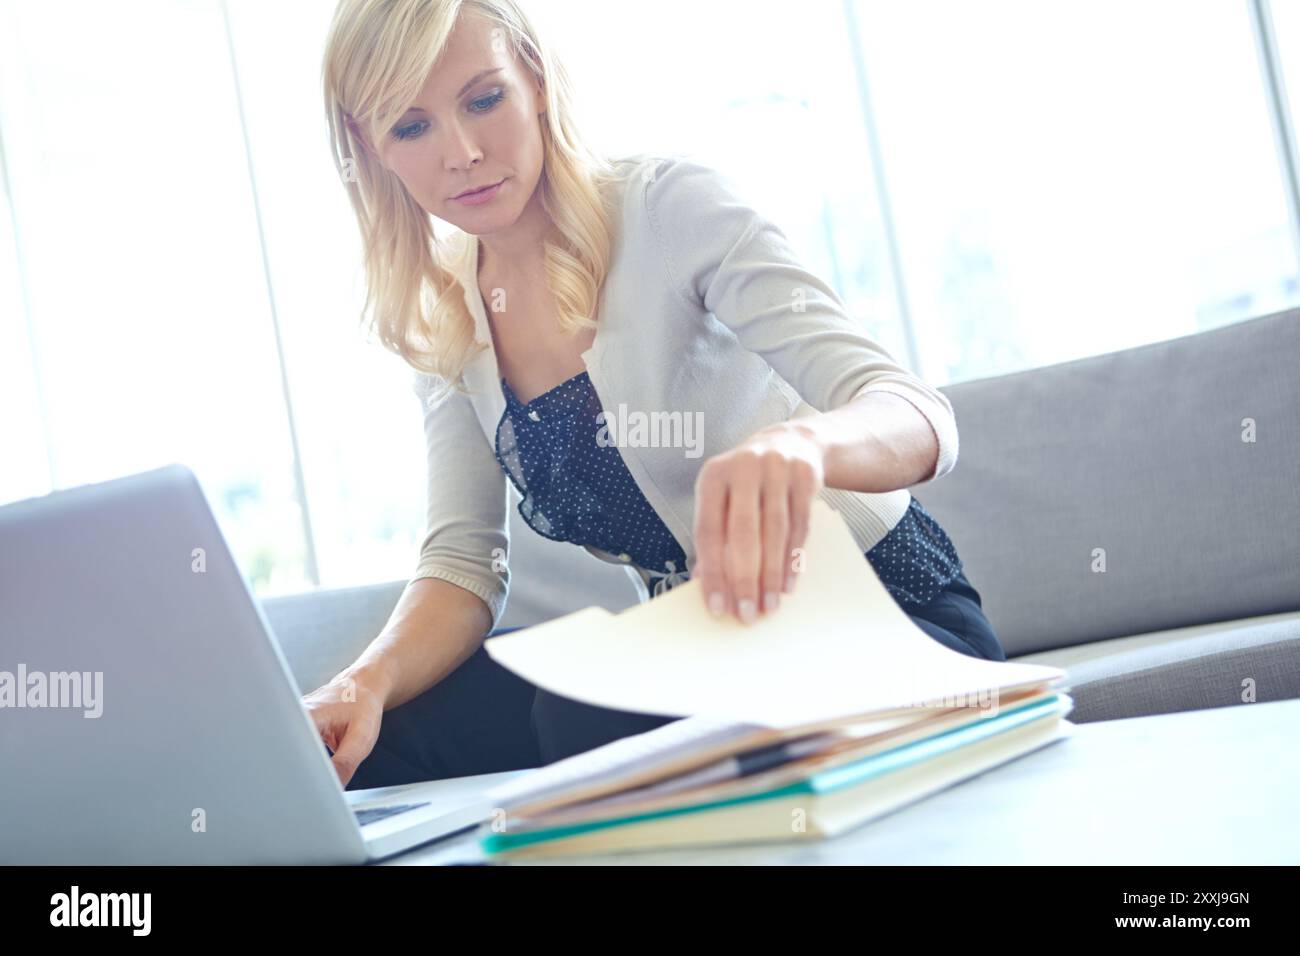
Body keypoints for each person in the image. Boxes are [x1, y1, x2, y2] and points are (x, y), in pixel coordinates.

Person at [308, 0, 1007, 791]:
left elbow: (916, 413)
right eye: (411, 127)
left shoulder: (669, 208)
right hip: (699, 645)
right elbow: (464, 563)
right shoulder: (447, 314)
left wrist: (804, 447)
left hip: (881, 612)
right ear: (371, 147)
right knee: (377, 744)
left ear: (534, 81)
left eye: (482, 99)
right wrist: (361, 683)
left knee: (584, 724)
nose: (462, 153)